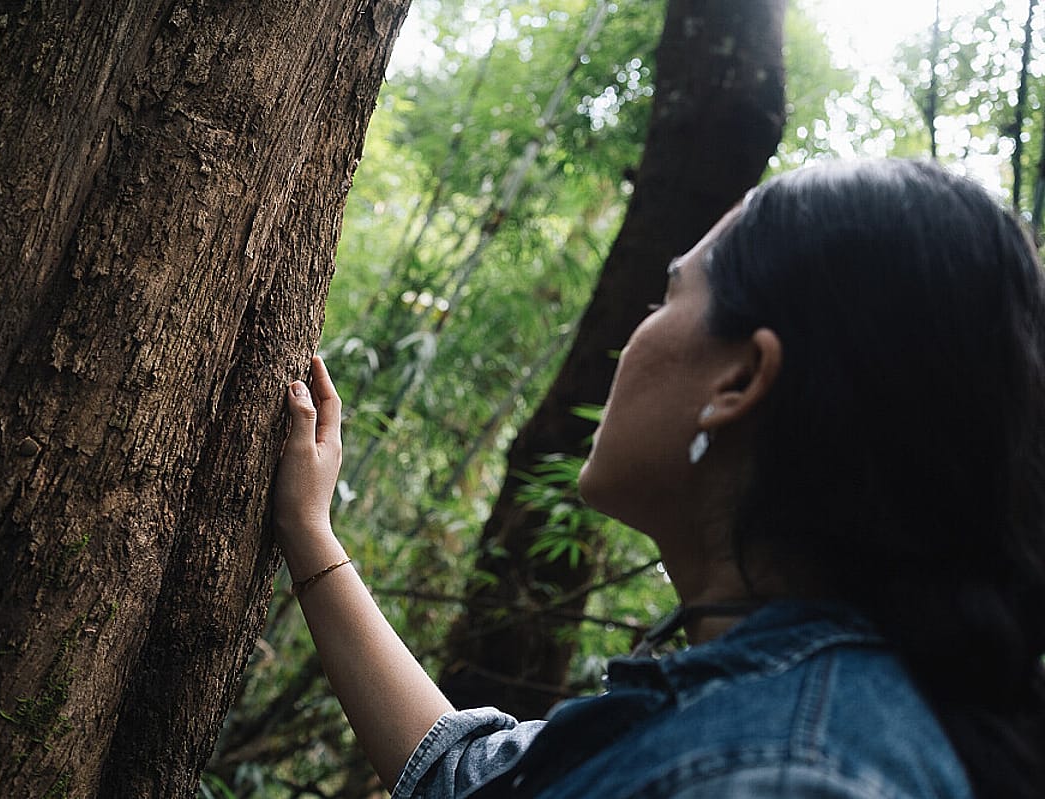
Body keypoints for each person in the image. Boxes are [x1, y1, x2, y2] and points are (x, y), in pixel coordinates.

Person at [271, 159, 1045, 798]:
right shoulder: (756, 710)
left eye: (668, 293)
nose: (635, 333)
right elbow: (463, 779)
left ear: (739, 379)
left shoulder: (784, 775)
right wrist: (311, 533)